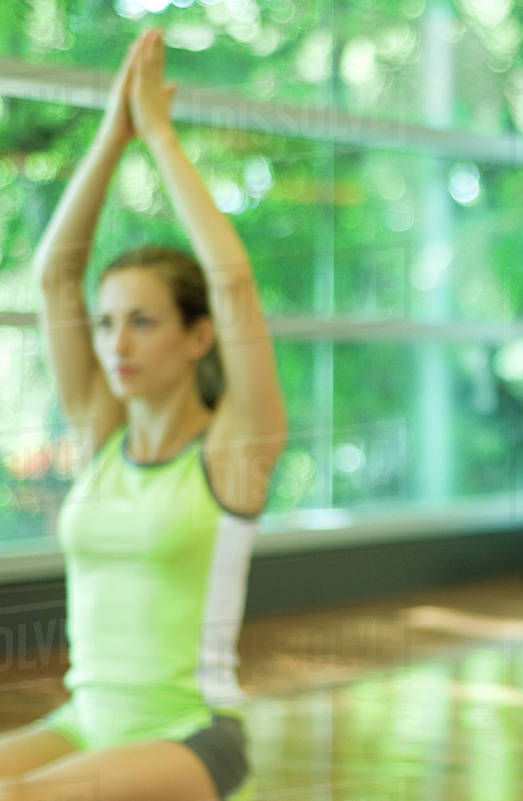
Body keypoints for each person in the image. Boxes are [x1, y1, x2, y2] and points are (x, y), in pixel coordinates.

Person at [0, 29, 287, 801]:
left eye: (143, 321)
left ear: (200, 337)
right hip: (86, 719)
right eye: (106, 323)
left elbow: (233, 285)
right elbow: (57, 275)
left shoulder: (234, 451)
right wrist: (112, 131)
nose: (115, 343)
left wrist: (159, 138)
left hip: (192, 736)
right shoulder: (102, 429)